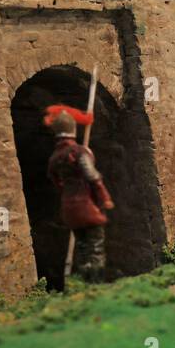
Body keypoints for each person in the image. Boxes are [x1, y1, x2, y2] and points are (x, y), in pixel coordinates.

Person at [45, 105, 113, 283]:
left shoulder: (54, 158)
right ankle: (96, 286)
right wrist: (104, 197)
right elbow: (92, 176)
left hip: (69, 209)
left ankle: (85, 285)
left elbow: (55, 180)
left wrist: (66, 193)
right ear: (72, 130)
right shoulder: (79, 152)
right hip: (87, 208)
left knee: (82, 249)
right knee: (95, 249)